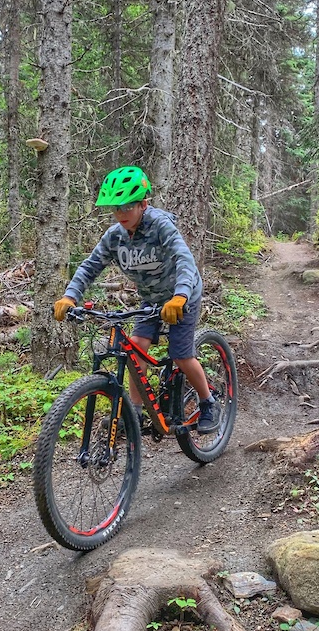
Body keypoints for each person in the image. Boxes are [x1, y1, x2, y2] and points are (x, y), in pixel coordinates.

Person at [53, 165, 220, 433]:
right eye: (115, 208)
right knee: (136, 348)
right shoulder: (115, 236)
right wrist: (70, 296)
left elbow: (184, 259)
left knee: (180, 354)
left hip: (182, 295)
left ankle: (208, 402)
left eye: (127, 207)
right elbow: (90, 266)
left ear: (143, 204)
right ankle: (136, 413)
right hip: (152, 301)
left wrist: (180, 296)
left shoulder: (160, 226)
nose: (121, 214)